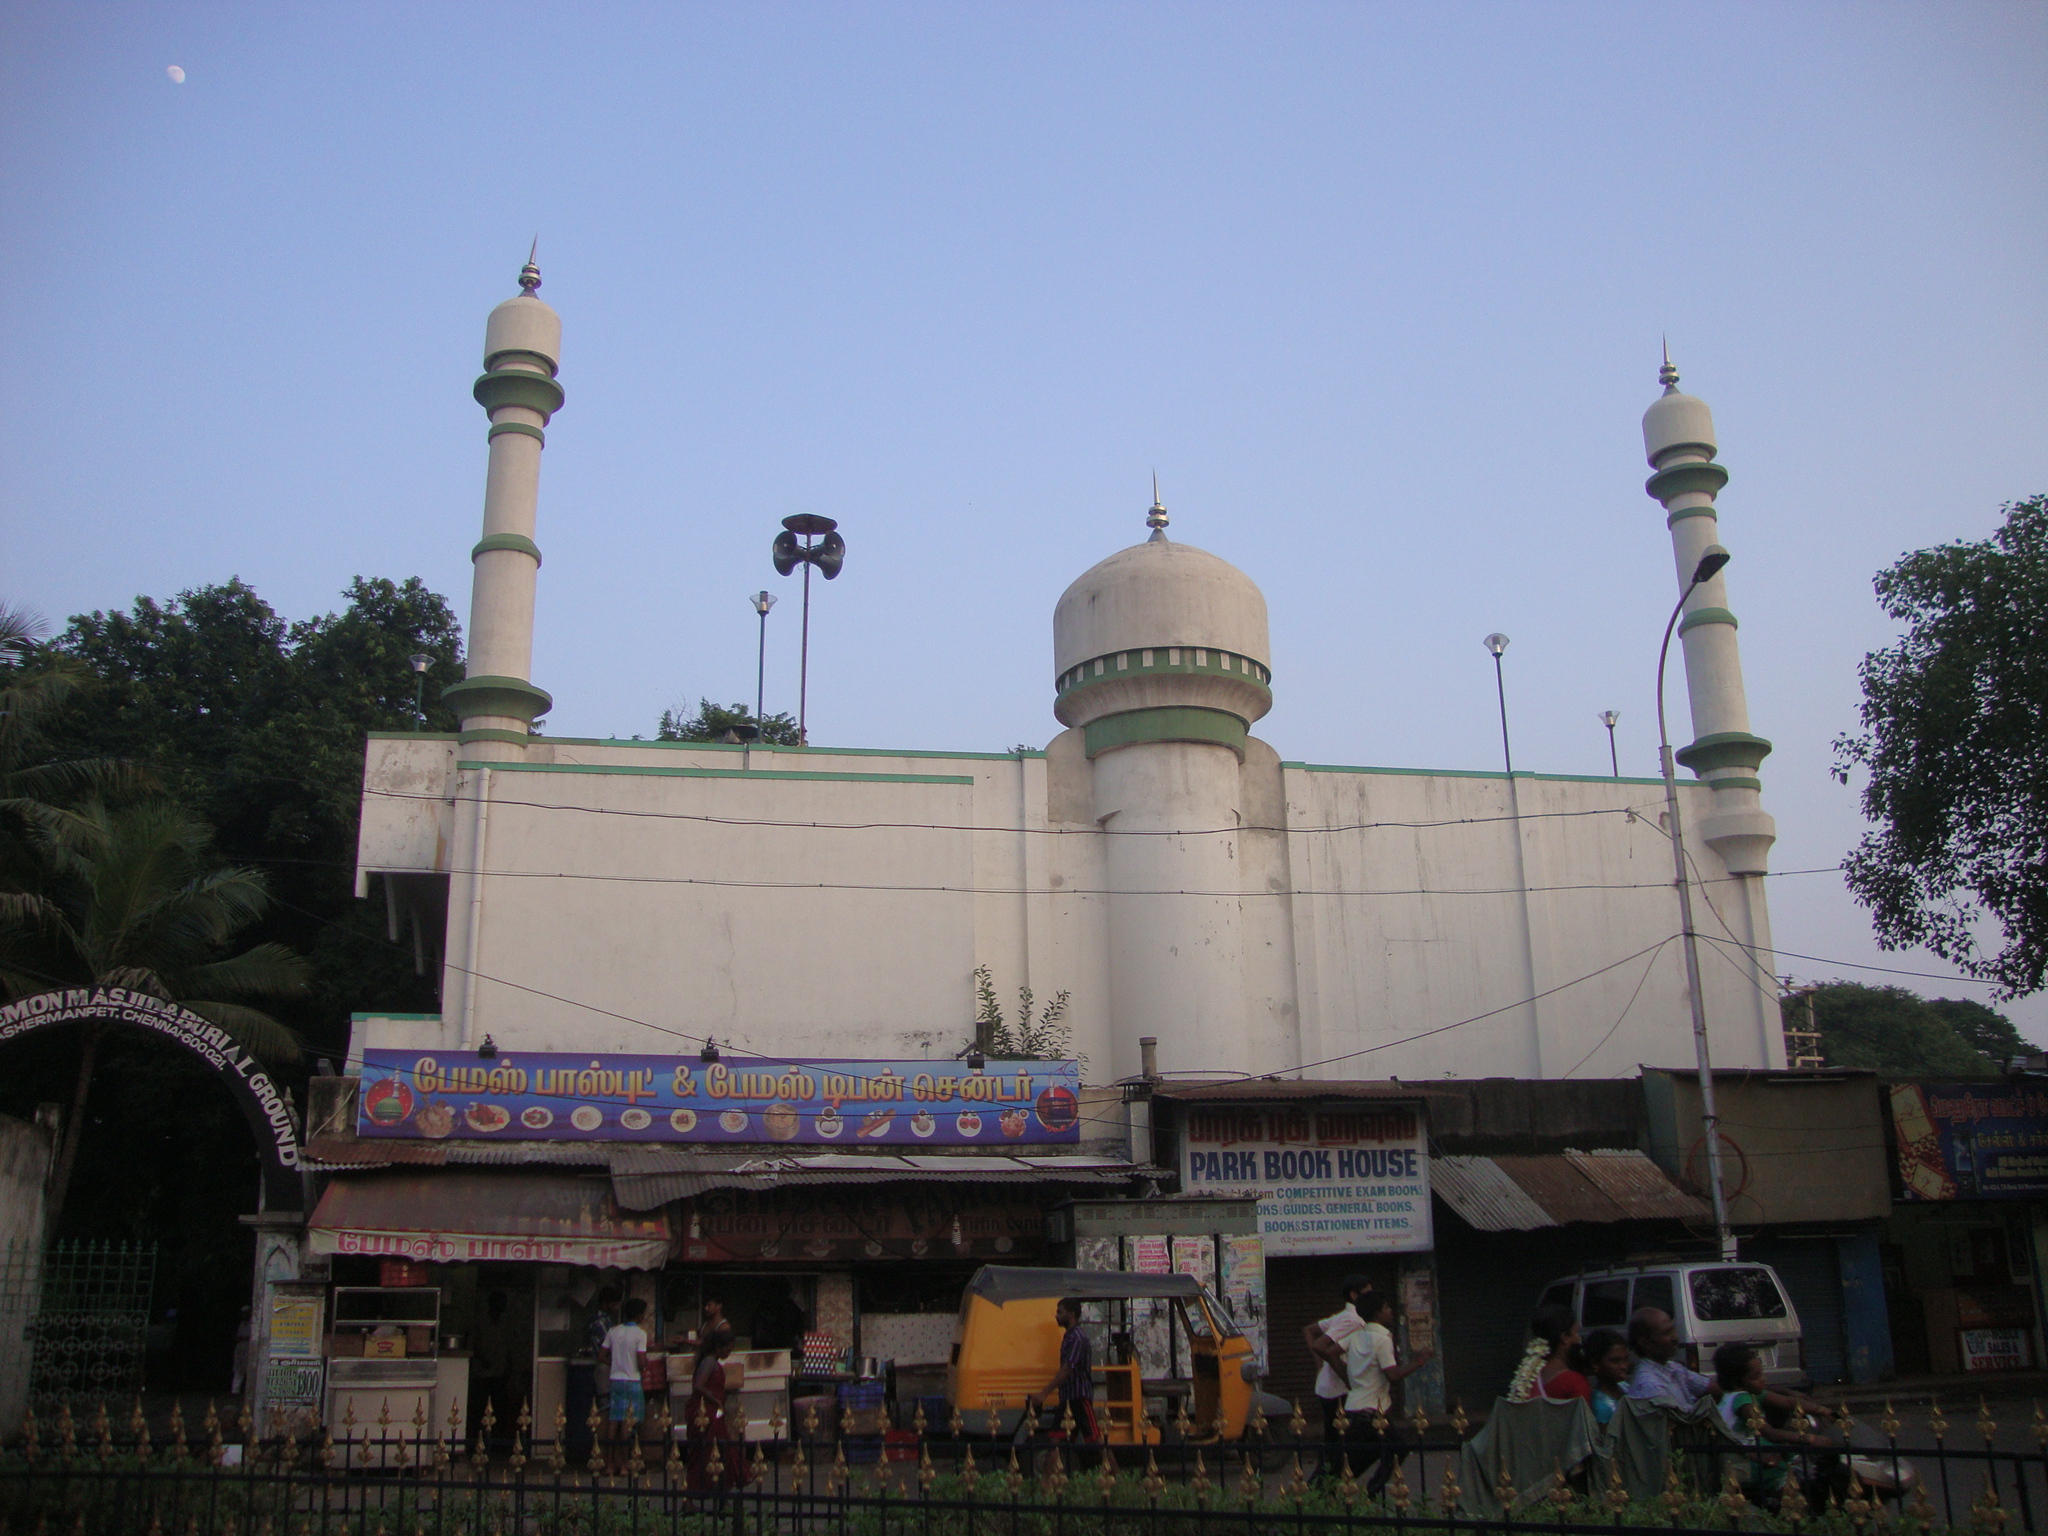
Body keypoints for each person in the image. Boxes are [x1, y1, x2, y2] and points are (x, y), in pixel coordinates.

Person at [1714, 1343, 1838, 1501]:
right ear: (1738, 1381)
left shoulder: (1740, 1394)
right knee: (1791, 1474)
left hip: (1748, 1453)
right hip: (1745, 1462)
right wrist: (1811, 1439)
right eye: (1755, 1377)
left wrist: (1821, 1410)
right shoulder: (1742, 1400)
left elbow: (1786, 1402)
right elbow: (1769, 1433)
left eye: (1762, 1374)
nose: (1763, 1380)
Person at [1340, 1288, 1433, 1497]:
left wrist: (1350, 1379)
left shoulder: (1356, 1336)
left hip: (1355, 1407)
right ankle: (1370, 1491)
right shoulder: (1382, 1340)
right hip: (1373, 1410)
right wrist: (1420, 1360)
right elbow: (1393, 1375)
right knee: (1397, 1449)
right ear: (1376, 1314)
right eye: (1386, 1308)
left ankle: (1345, 1489)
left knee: (1365, 1455)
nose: (1390, 1312)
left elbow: (1329, 1351)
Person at [1303, 1273, 1373, 1478]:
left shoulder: (1345, 1316)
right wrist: (1344, 1375)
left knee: (1335, 1442)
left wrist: (1321, 1366)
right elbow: (1319, 1344)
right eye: (1367, 1293)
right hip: (1337, 1391)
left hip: (1330, 1388)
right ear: (1353, 1295)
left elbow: (1309, 1331)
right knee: (1339, 1443)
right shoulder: (1352, 1320)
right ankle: (1319, 1484)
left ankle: (1325, 1483)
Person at [684, 1297, 744, 1492]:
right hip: (705, 1411)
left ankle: (720, 1489)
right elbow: (698, 1386)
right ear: (718, 1347)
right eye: (728, 1348)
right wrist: (715, 1399)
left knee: (718, 1452)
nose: (729, 1352)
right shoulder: (709, 1362)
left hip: (713, 1410)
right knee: (703, 1453)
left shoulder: (714, 1362)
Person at [1027, 1297, 1098, 1443]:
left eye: (1060, 1312)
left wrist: (1044, 1393)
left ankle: (1112, 1466)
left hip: (1079, 1397)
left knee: (1095, 1439)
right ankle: (1052, 1466)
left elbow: (1067, 1369)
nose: (1056, 1316)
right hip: (1067, 1398)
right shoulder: (1070, 1336)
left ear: (1070, 1314)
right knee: (1055, 1440)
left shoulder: (1077, 1338)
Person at [1622, 1308, 1716, 1412]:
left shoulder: (1672, 1367)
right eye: (1666, 1333)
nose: (1675, 1338)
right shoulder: (1649, 1385)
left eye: (1673, 1330)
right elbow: (1671, 1424)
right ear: (1645, 1343)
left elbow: (1713, 1389)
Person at [567, 1285, 620, 1462]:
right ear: (607, 1303)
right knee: (605, 1411)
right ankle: (602, 1455)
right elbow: (604, 1353)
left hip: (608, 1368)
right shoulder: (599, 1322)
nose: (617, 1306)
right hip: (605, 1369)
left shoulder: (608, 1321)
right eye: (614, 1303)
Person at [602, 1297, 650, 1474]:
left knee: (613, 1420)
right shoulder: (640, 1334)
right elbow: (642, 1361)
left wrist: (615, 1363)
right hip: (632, 1381)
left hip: (616, 1379)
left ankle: (608, 1464)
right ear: (639, 1315)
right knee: (627, 1423)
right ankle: (624, 1464)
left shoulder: (613, 1331)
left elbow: (601, 1354)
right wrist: (645, 1364)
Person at [1529, 1305, 1591, 1401]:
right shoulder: (1574, 1382)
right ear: (1564, 1338)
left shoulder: (1527, 1378)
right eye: (1576, 1332)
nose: (1579, 1339)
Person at [1582, 1328, 1632, 1427]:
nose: (1624, 1366)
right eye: (1615, 1361)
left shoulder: (1625, 1387)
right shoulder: (1600, 1406)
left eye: (1625, 1359)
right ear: (1595, 1363)